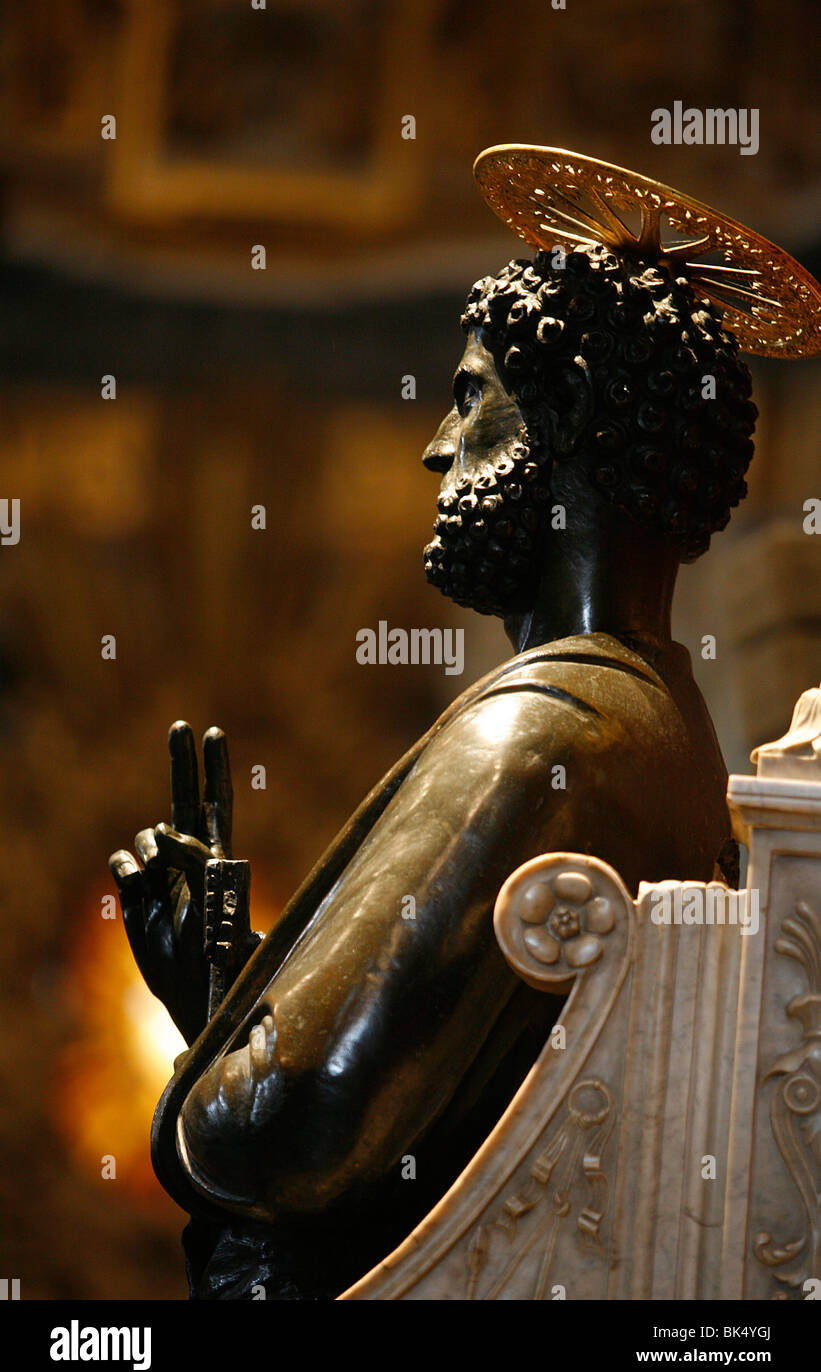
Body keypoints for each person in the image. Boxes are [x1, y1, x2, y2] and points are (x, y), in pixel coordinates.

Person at [110, 244, 756, 1298]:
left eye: (469, 398)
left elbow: (284, 1137)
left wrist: (220, 1056)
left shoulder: (540, 740)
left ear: (574, 401)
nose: (435, 446)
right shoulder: (660, 729)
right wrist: (223, 989)